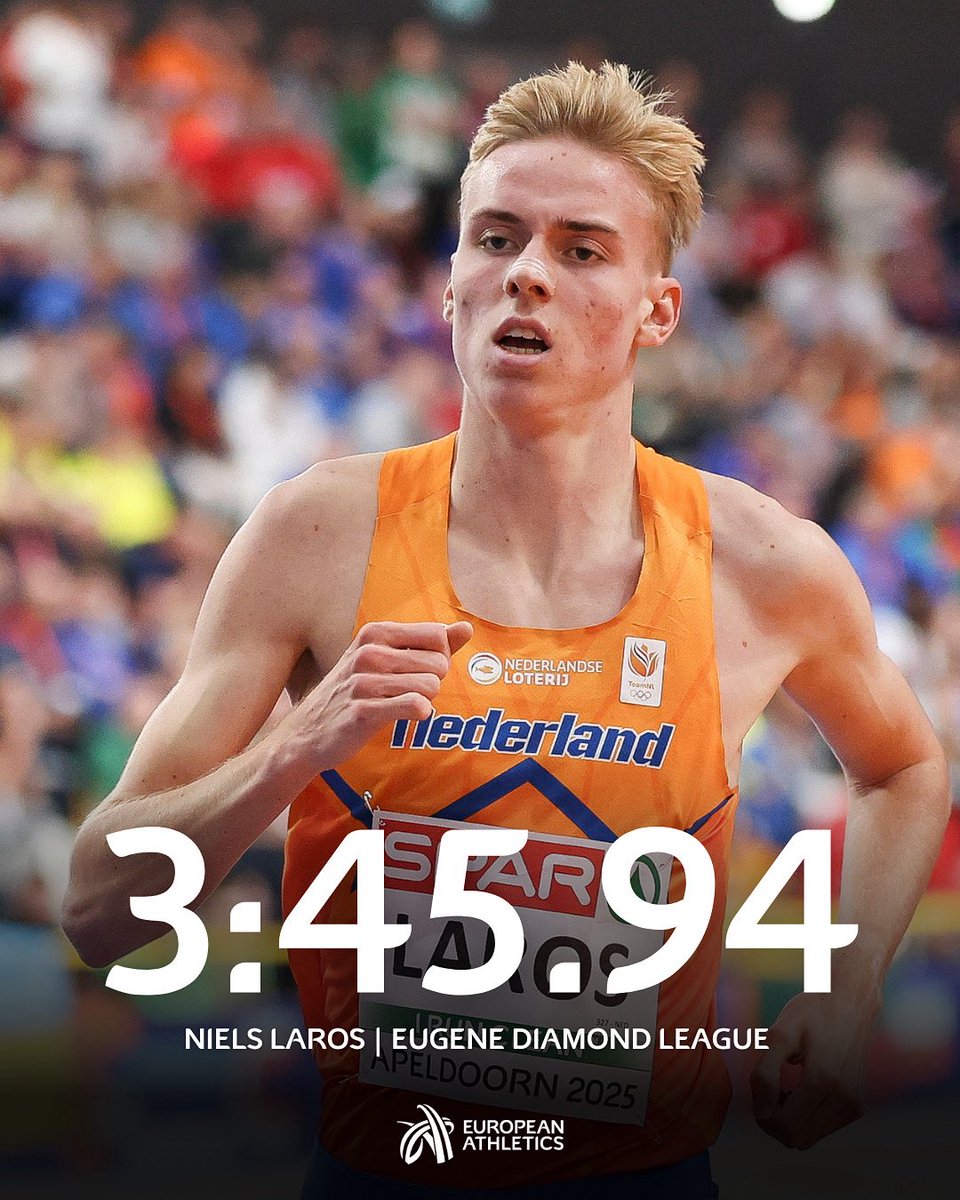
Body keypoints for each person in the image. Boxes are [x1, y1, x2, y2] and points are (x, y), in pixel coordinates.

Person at [62, 63, 949, 1198]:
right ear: (449, 286)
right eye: (496, 238)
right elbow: (98, 909)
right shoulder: (318, 533)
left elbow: (905, 768)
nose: (526, 272)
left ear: (658, 311)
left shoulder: (762, 564)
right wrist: (292, 750)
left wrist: (845, 994)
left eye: (582, 250)